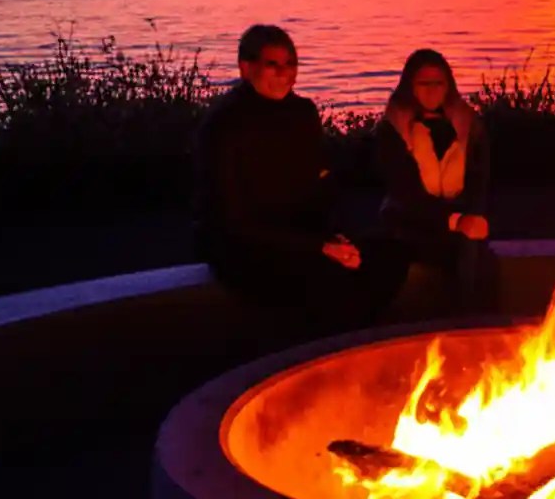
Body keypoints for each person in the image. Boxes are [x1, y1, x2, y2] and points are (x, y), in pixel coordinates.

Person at [193, 24, 407, 335]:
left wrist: (334, 234)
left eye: (291, 64)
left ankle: (355, 341)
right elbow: (232, 220)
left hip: (302, 233)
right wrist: (318, 246)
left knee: (392, 252)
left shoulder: (302, 113)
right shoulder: (224, 125)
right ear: (245, 67)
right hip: (242, 245)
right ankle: (319, 352)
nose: (284, 73)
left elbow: (321, 185)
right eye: (273, 64)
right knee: (325, 279)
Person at [374, 49, 495, 317]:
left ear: (449, 85)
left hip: (459, 213)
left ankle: (479, 326)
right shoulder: (392, 129)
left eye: (438, 83)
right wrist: (455, 221)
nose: (431, 90)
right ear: (409, 86)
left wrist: (473, 217)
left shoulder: (469, 126)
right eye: (423, 83)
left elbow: (479, 180)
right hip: (408, 220)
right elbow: (405, 194)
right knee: (453, 252)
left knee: (476, 250)